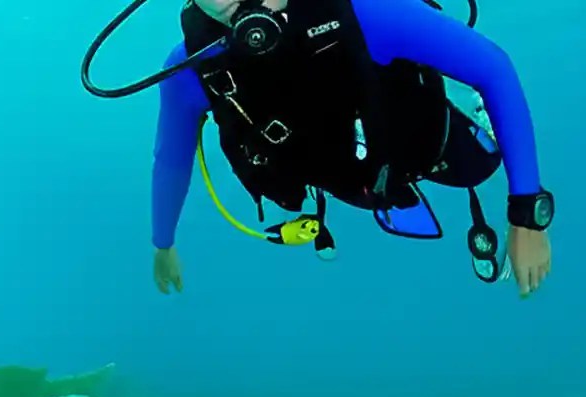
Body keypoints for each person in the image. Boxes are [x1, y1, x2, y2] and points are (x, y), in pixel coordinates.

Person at [143, 0, 555, 298]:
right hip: (347, 174)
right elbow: (172, 161)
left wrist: (527, 218)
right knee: (368, 188)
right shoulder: (192, 69)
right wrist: (163, 244)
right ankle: (386, 193)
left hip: (428, 143)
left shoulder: (362, 10)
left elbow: (494, 68)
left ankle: (476, 119)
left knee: (476, 167)